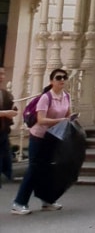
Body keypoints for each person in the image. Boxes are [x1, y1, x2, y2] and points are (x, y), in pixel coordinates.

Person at [12, 68, 72, 215]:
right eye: (58, 77)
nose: (62, 80)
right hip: (39, 136)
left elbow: (68, 114)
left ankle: (47, 201)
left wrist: (70, 119)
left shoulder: (66, 96)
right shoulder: (46, 97)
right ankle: (19, 203)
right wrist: (60, 120)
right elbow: (41, 120)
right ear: (51, 81)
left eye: (64, 77)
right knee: (34, 169)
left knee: (47, 169)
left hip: (53, 137)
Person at [0, 68, 16, 187]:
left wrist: (12, 111)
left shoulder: (4, 93)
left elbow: (12, 109)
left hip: (3, 132)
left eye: (3, 74)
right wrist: (6, 113)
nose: (2, 76)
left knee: (5, 159)